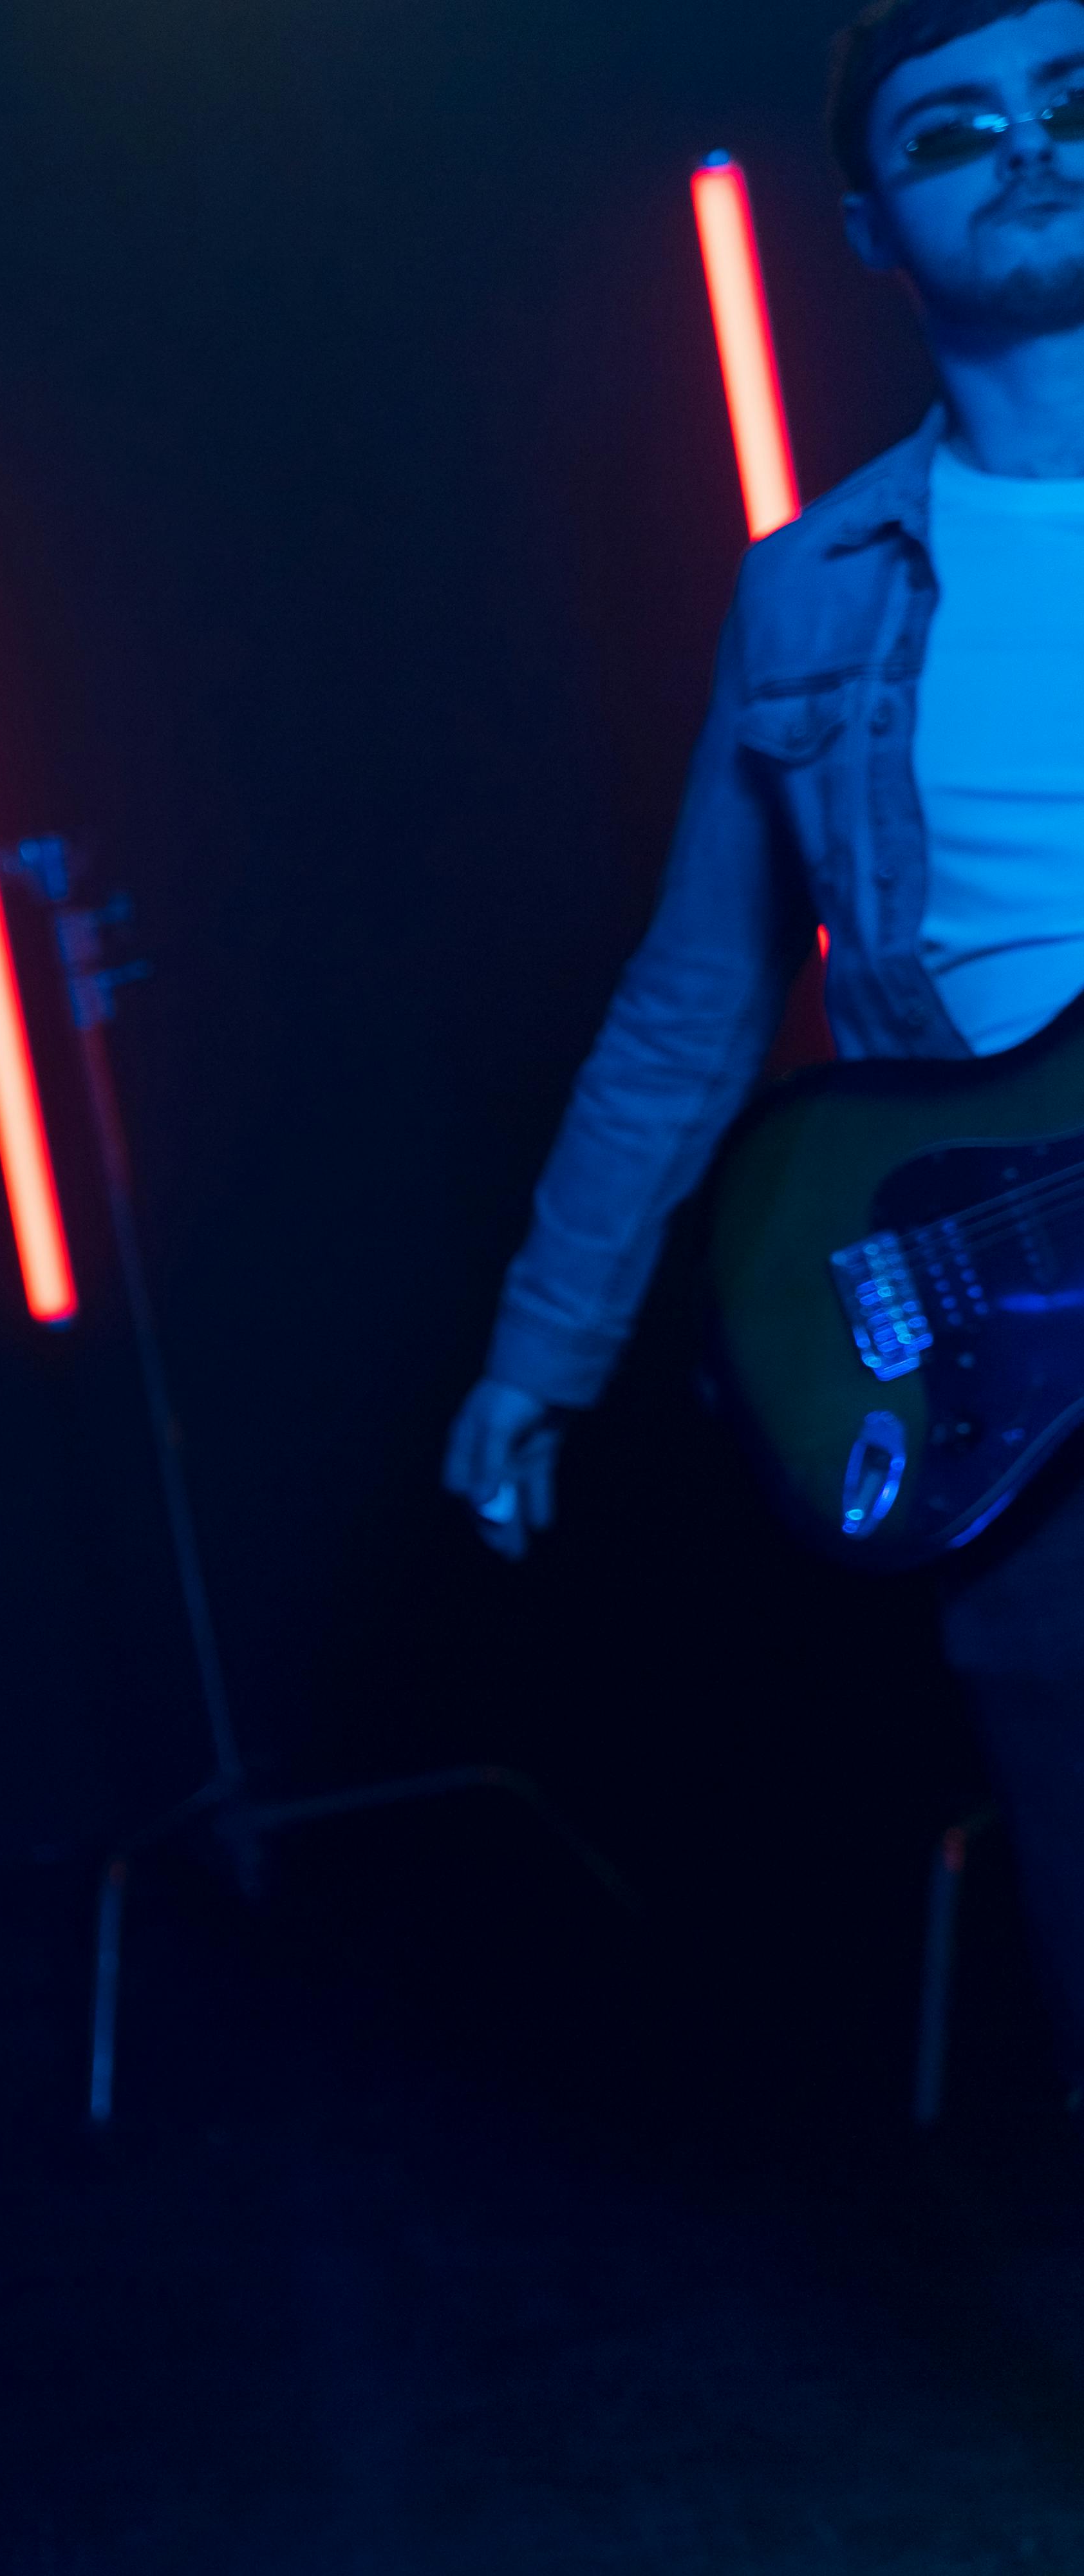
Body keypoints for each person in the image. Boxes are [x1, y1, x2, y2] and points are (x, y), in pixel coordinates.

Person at [447, 0, 1084, 2055]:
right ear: (874, 229)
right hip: (1025, 1346)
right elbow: (692, 1007)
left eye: (1076, 98)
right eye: (957, 126)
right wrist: (547, 1351)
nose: (1028, 145)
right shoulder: (813, 591)